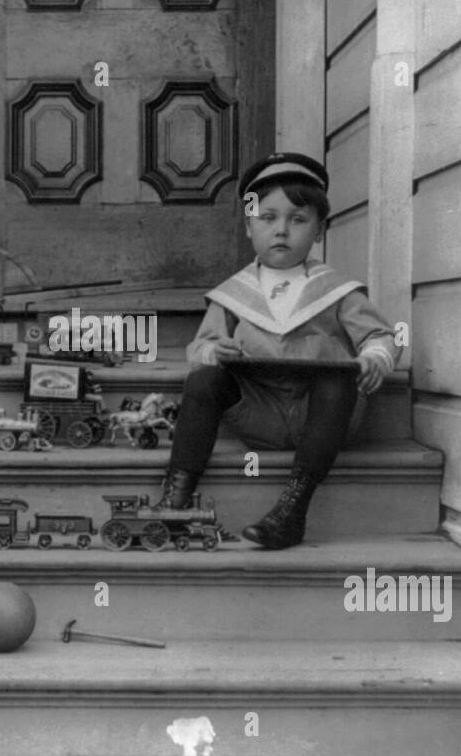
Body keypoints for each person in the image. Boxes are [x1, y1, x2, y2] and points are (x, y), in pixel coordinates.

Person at [154, 152, 400, 550]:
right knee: (205, 380)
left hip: (319, 416)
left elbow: (381, 335)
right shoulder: (235, 294)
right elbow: (202, 345)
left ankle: (291, 511)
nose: (281, 231)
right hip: (258, 411)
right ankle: (175, 498)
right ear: (249, 227)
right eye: (267, 218)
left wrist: (375, 356)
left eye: (298, 219)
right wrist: (216, 353)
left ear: (319, 230)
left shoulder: (336, 290)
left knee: (338, 379)